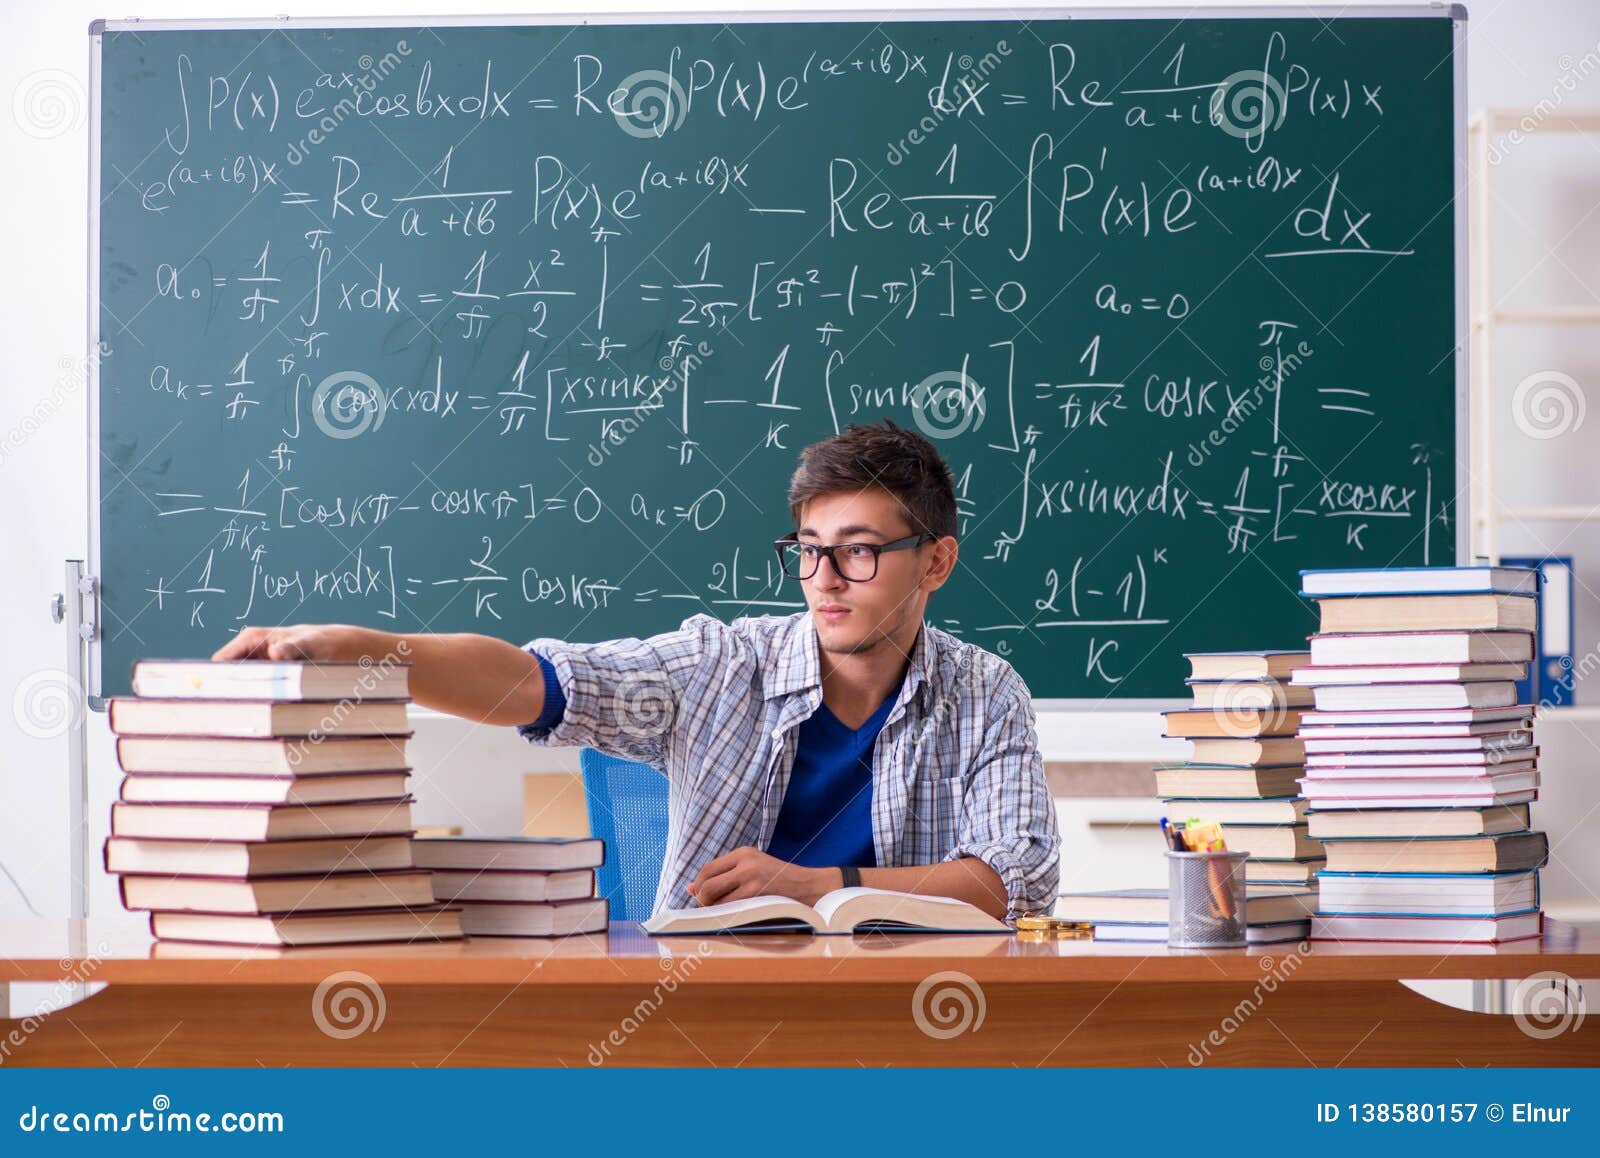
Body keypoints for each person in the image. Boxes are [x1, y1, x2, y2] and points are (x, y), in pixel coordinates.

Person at [214, 420, 1060, 919]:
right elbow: (534, 683)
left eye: (860, 551)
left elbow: (1014, 879)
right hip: (709, 1018)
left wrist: (817, 886)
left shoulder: (983, 693)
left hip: (909, 1015)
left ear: (936, 561)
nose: (825, 580)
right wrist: (359, 648)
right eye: (808, 550)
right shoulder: (721, 666)